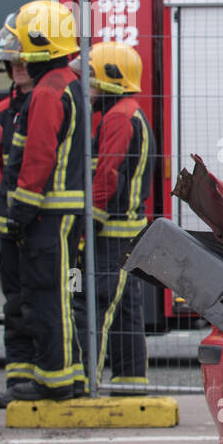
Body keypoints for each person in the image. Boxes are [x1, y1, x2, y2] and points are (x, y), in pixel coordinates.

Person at [0, 0, 86, 402]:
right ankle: (69, 377)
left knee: (46, 297)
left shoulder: (49, 92)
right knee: (58, 297)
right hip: (61, 214)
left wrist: (21, 208)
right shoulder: (68, 83)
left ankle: (54, 381)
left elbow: (38, 156)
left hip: (48, 216)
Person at [80, 42, 155, 391]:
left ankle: (84, 381)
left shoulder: (117, 118)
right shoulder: (129, 112)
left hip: (113, 233)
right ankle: (130, 381)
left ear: (111, 78)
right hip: (130, 231)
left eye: (92, 79)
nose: (88, 87)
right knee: (125, 309)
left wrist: (89, 220)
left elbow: (108, 174)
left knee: (95, 304)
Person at [0, 18, 37, 409]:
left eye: (24, 60)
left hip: (39, 223)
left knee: (42, 303)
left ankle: (42, 377)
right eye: (13, 61)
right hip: (9, 224)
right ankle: (17, 380)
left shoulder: (50, 104)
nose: (18, 67)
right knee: (14, 304)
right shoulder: (2, 112)